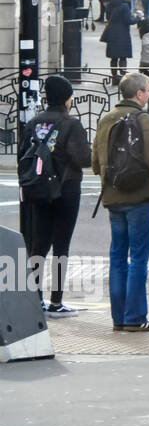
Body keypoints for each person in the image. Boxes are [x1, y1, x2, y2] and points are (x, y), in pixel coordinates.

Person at [93, 73, 149, 331]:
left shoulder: (105, 120)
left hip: (113, 198)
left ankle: (118, 318)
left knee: (117, 258)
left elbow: (94, 163)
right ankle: (135, 318)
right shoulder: (145, 120)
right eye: (147, 90)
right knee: (138, 259)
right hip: (140, 198)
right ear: (139, 94)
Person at [24, 75, 92, 317]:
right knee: (61, 245)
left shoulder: (34, 123)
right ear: (66, 99)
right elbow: (83, 159)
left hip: (39, 188)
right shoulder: (71, 124)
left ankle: (35, 299)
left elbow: (24, 154)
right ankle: (57, 302)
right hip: (66, 188)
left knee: (39, 245)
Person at [103, 0, 135, 83]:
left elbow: (108, 17)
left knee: (114, 57)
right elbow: (128, 20)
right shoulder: (124, 6)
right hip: (122, 33)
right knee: (122, 57)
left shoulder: (110, 5)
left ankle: (114, 77)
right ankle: (122, 77)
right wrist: (138, 18)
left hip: (112, 32)